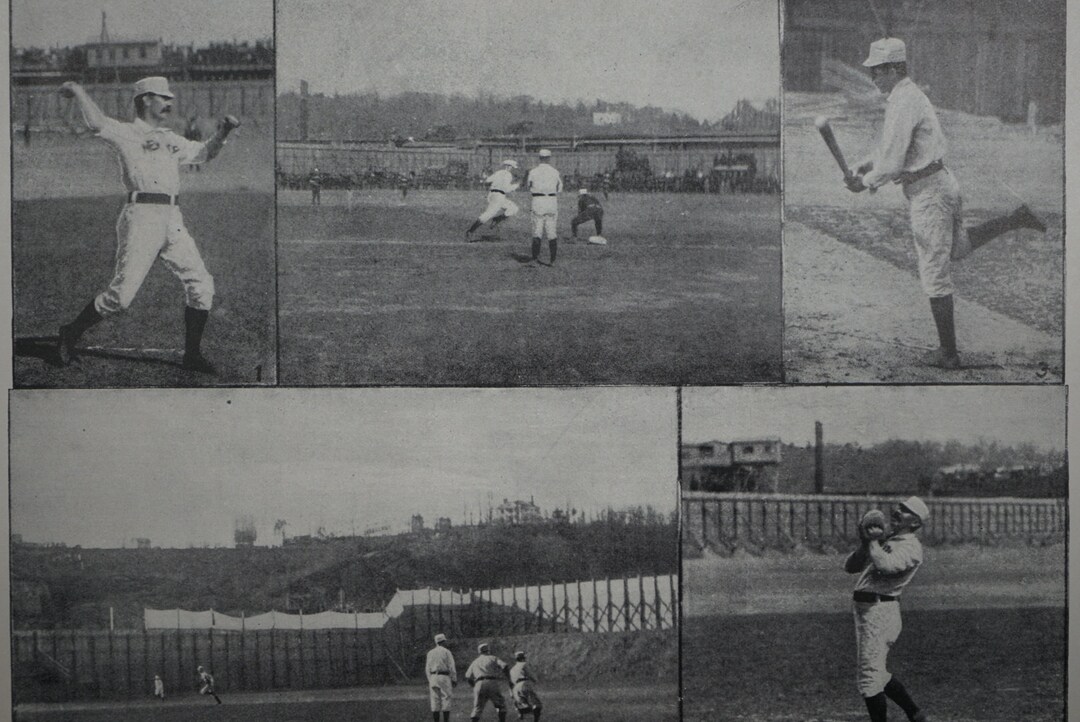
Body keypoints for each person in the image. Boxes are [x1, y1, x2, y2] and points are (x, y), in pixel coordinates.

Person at [844, 37, 1046, 370]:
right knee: (960, 248)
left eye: (878, 71)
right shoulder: (906, 96)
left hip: (929, 193)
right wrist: (864, 166)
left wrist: (865, 183)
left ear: (895, 68)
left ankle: (948, 353)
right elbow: (891, 150)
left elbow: (893, 164)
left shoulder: (903, 100)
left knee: (934, 272)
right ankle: (1014, 219)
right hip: (940, 183)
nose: (873, 78)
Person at [55, 77, 239, 374]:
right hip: (141, 215)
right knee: (121, 297)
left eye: (169, 98)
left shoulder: (169, 138)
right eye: (162, 98)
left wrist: (223, 132)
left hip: (172, 218)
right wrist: (77, 91)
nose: (169, 102)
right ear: (144, 100)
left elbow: (204, 153)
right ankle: (70, 332)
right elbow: (97, 123)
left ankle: (191, 355)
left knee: (202, 284)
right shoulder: (127, 132)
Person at [844, 497, 932, 722]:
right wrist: (866, 543)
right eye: (898, 507)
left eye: (904, 510)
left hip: (880, 613)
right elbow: (850, 567)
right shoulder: (890, 540)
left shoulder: (912, 547)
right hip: (868, 611)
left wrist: (874, 543)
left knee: (868, 678)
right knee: (878, 673)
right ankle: (915, 714)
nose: (896, 511)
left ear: (915, 523)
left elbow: (886, 566)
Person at [466, 160, 520, 241]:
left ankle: (497, 219)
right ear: (509, 166)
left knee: (514, 208)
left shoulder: (498, 172)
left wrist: (484, 176)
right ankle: (470, 231)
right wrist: (515, 186)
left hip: (493, 195)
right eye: (512, 167)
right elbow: (506, 189)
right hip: (499, 196)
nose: (512, 169)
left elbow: (487, 180)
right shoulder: (508, 175)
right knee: (488, 214)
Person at [525, 149, 562, 265]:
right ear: (549, 158)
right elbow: (559, 188)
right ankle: (553, 260)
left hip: (538, 201)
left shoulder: (533, 171)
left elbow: (528, 185)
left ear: (539, 158)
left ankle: (535, 259)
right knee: (552, 231)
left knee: (537, 231)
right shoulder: (555, 172)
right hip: (551, 201)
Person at [465, 642, 510, 722]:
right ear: (488, 650)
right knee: (501, 705)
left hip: (479, 683)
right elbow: (505, 666)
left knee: (477, 708)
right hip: (492, 681)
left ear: (479, 651)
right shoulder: (493, 658)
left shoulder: (475, 661)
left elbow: (468, 676)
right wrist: (508, 678)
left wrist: (474, 685)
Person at [427, 632, 458, 722]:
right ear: (443, 641)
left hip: (433, 676)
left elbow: (427, 668)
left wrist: (430, 679)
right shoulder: (446, 652)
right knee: (446, 698)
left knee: (435, 700)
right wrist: (454, 678)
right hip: (444, 676)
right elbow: (451, 666)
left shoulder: (430, 652)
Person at [509, 650, 542, 721]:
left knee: (526, 706)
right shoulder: (524, 664)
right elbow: (531, 675)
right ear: (523, 657)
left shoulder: (512, 669)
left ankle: (521, 711)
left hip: (516, 688)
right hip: (524, 684)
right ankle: (535, 720)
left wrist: (512, 693)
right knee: (538, 705)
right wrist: (535, 680)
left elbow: (511, 682)